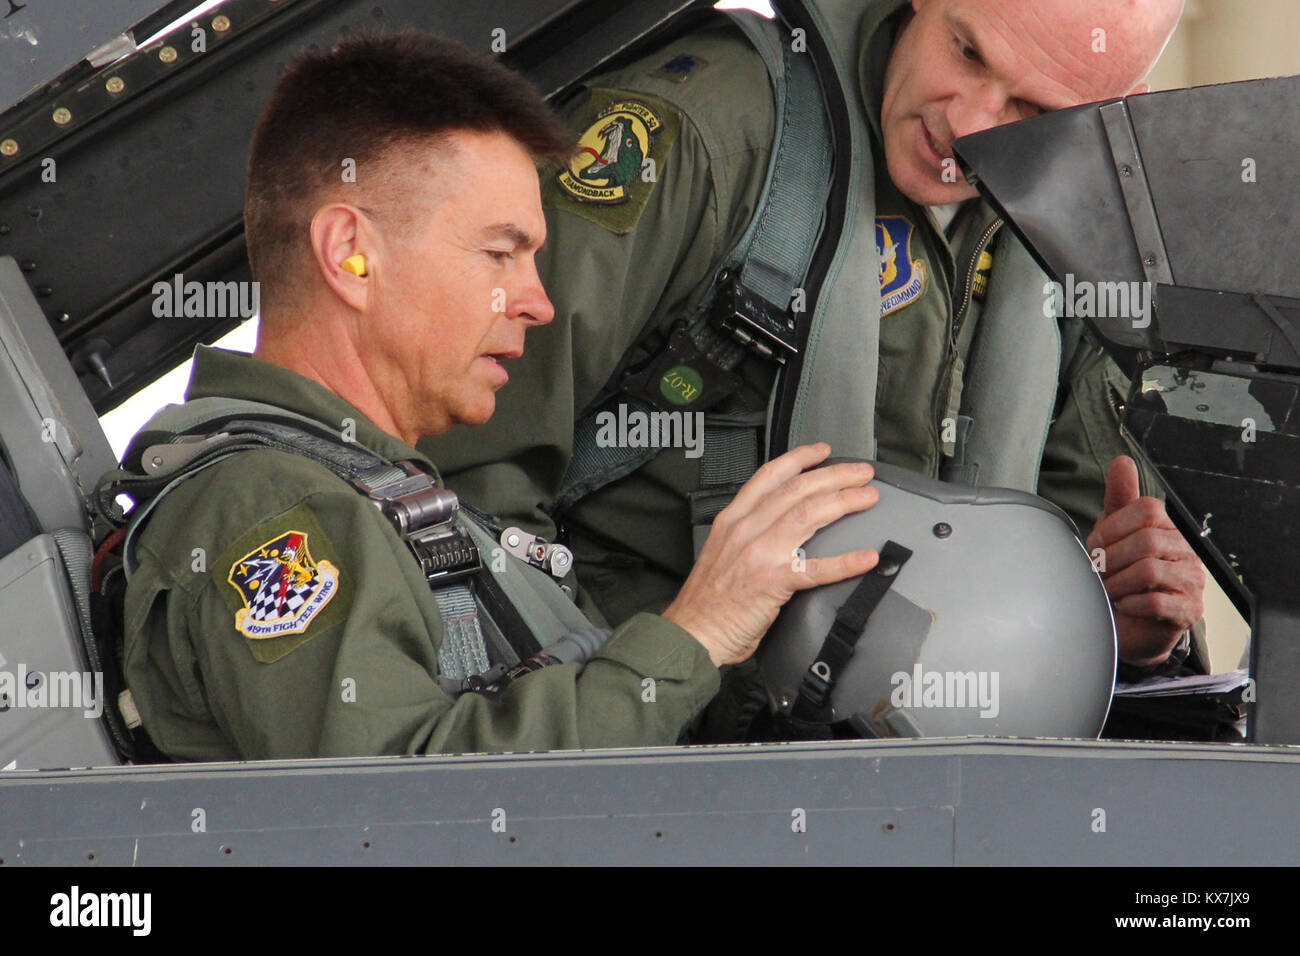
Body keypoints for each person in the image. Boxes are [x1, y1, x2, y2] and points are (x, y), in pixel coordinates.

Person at [419, 0, 1209, 721]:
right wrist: (606, 713)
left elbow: (1083, 534)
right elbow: (455, 465)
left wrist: (1113, 618)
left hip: (923, 774)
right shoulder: (704, 138)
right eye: (967, 53)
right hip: (644, 741)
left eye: (1033, 111)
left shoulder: (1096, 244)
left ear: (1113, 116)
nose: (968, 123)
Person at [117, 33, 882, 761]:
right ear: (351, 254)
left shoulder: (377, 497)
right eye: (498, 254)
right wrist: (695, 634)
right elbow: (397, 818)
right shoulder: (268, 511)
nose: (537, 302)